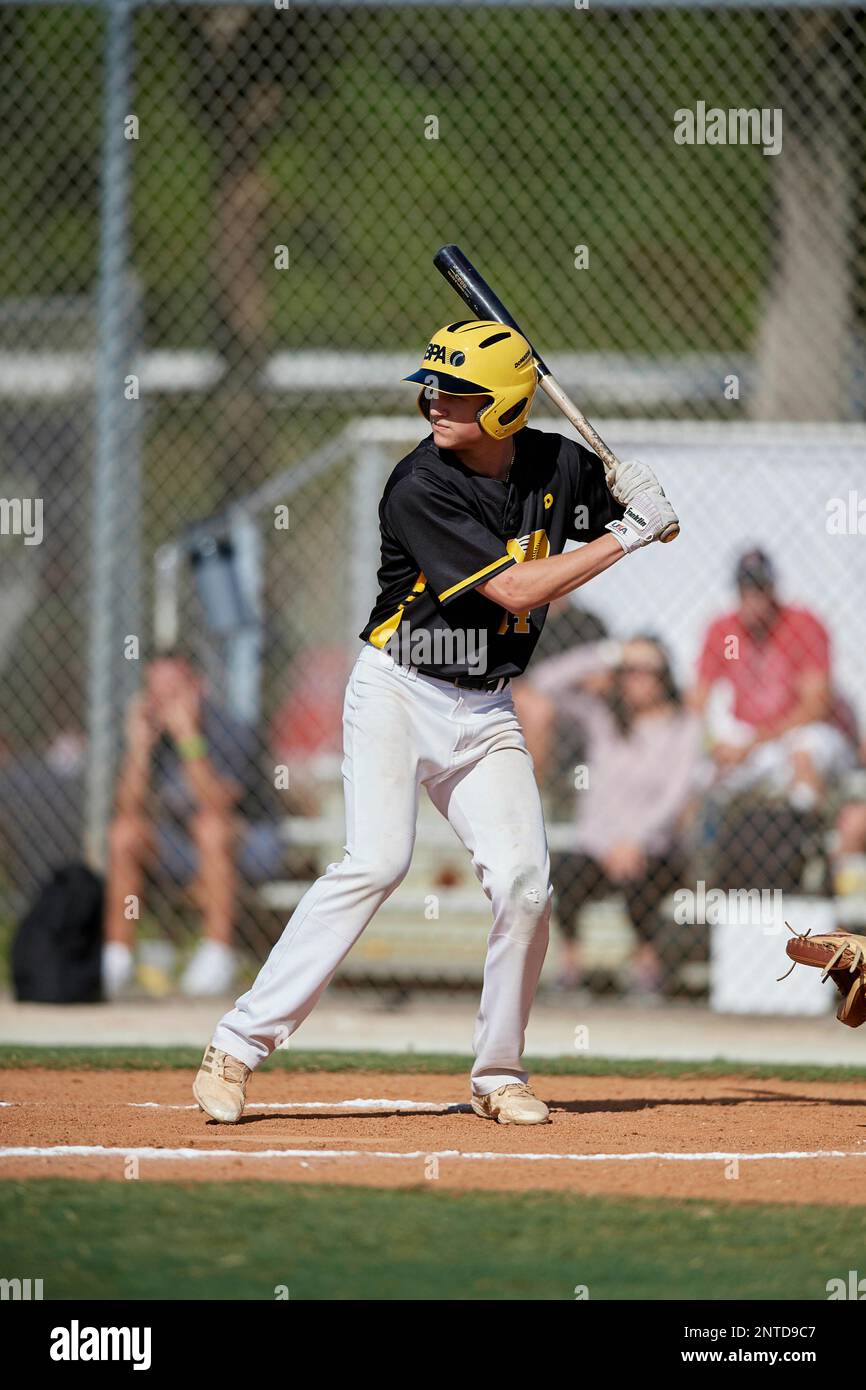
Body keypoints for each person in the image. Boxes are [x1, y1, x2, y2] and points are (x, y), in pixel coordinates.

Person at [193, 318, 679, 1126]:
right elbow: (522, 591)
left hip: (486, 706)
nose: (435, 402)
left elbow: (628, 513)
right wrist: (630, 534)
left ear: (507, 407)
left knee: (527, 883)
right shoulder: (421, 485)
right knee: (376, 862)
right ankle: (236, 1046)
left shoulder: (560, 463)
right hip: (398, 689)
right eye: (433, 386)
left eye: (458, 392)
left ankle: (499, 1073)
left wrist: (637, 497)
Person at [527, 636, 702, 995]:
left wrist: (633, 842)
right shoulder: (602, 717)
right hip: (601, 847)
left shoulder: (683, 726)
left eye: (646, 671)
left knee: (642, 879)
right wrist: (607, 653)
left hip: (653, 847)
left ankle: (646, 967)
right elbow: (544, 683)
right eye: (629, 671)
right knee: (563, 870)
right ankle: (571, 966)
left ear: (664, 677)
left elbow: (675, 797)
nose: (636, 680)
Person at [103, 653, 283, 998]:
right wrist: (139, 750)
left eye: (173, 692)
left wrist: (188, 738)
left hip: (249, 844)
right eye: (155, 693)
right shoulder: (149, 733)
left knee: (210, 828)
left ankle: (217, 953)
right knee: (124, 833)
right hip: (183, 847)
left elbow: (216, 804)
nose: (163, 703)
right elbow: (127, 806)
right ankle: (117, 958)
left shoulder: (229, 730)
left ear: (197, 689)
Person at [690, 548, 852, 808]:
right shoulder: (727, 632)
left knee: (806, 752)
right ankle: (704, 845)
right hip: (747, 735)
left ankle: (805, 829)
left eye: (760, 589)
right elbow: (698, 699)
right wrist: (712, 744)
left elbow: (816, 706)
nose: (753, 598)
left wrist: (754, 743)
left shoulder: (801, 624)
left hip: (793, 732)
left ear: (773, 589)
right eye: (746, 590)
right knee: (698, 776)